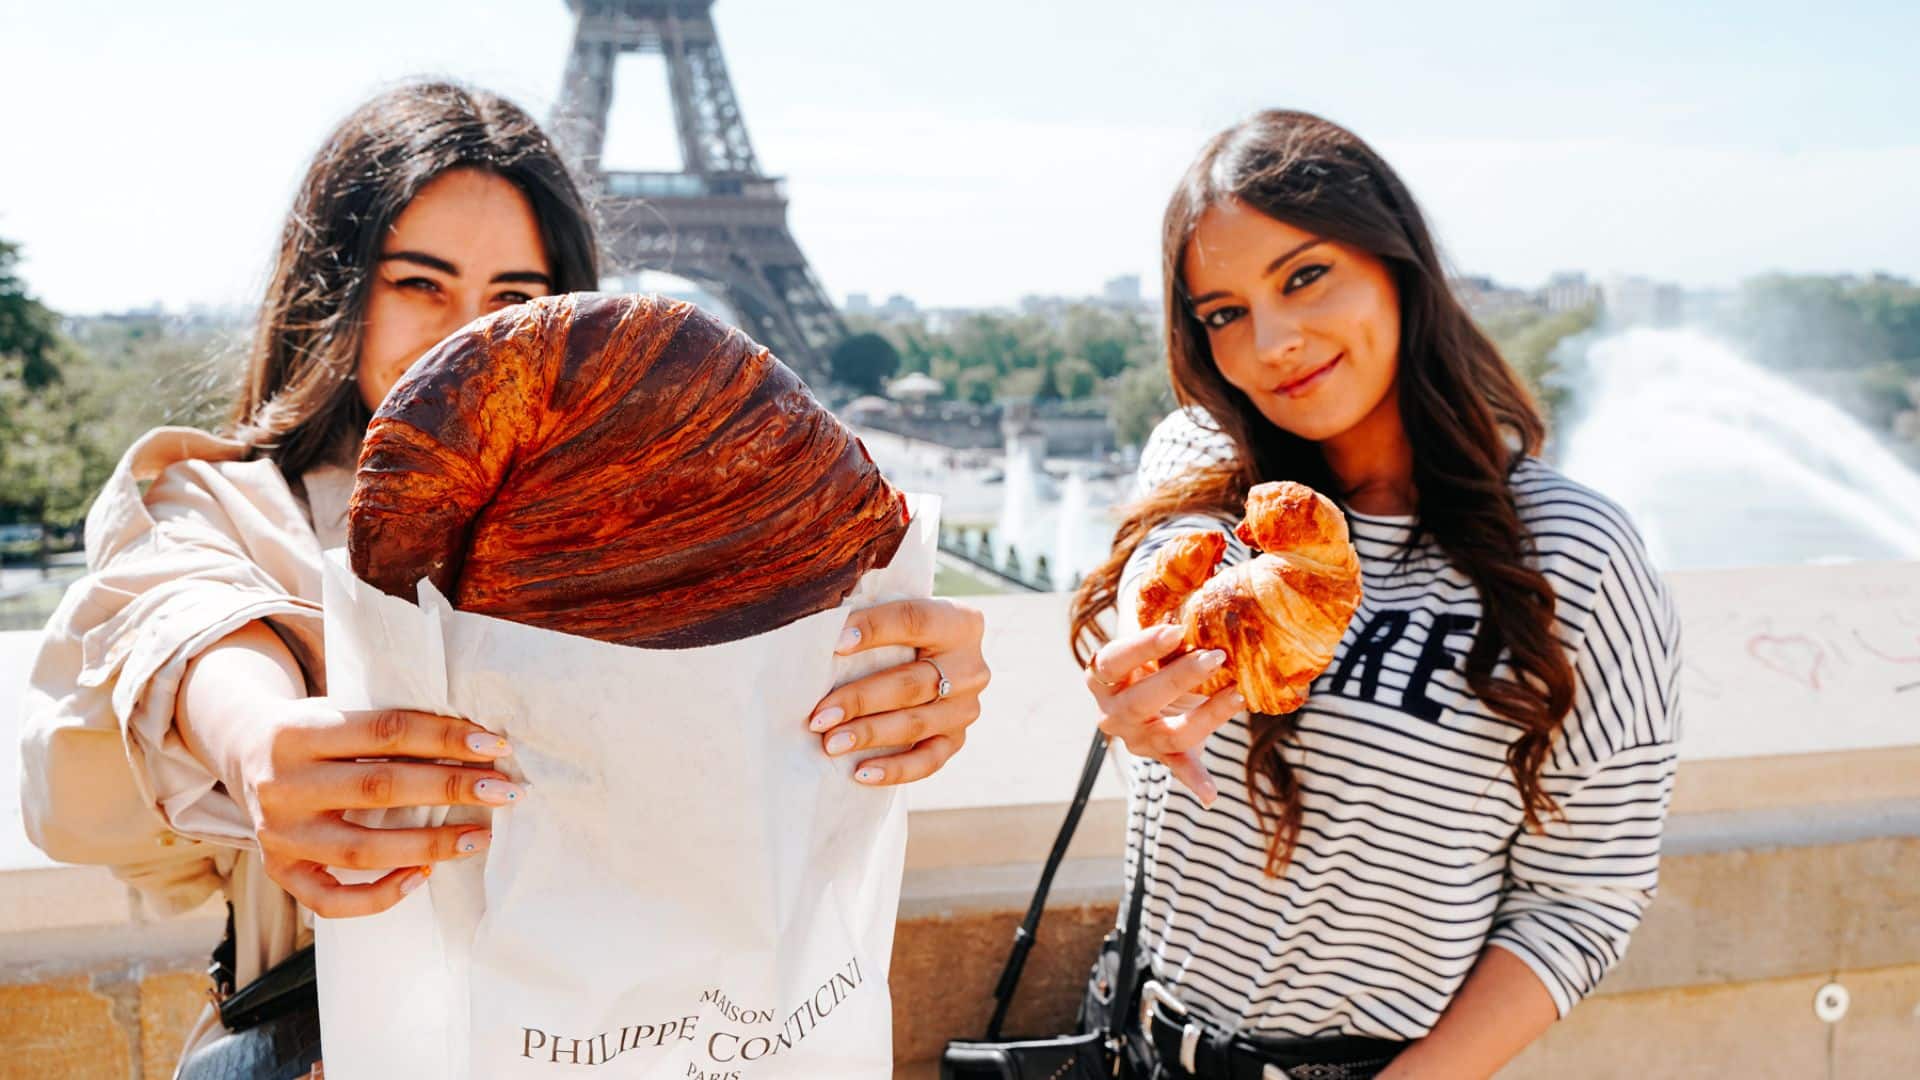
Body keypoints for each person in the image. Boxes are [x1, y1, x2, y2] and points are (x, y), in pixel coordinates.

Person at [19, 80, 987, 1074]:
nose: (465, 336)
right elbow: (189, 616)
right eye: (421, 286)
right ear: (335, 297)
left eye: (514, 300)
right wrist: (254, 735)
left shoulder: (663, 529)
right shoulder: (230, 504)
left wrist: (891, 664)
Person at [1068, 110, 1680, 1079]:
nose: (1271, 342)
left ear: (1399, 265)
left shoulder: (1572, 558)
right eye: (1223, 313)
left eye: (1305, 276)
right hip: (1133, 1049)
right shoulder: (1202, 468)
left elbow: (1584, 901)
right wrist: (1134, 684)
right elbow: (1158, 585)